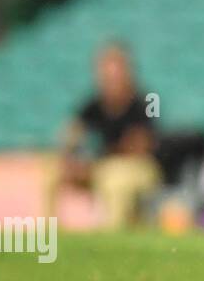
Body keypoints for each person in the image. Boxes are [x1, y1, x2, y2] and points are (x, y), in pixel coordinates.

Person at [46, 42, 161, 229]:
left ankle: (111, 232)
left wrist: (97, 160)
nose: (111, 77)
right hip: (100, 165)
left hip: (140, 167)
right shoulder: (93, 104)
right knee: (52, 173)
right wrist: (72, 160)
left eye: (116, 70)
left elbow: (142, 145)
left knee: (113, 179)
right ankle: (52, 234)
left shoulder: (148, 100)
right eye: (106, 71)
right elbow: (71, 134)